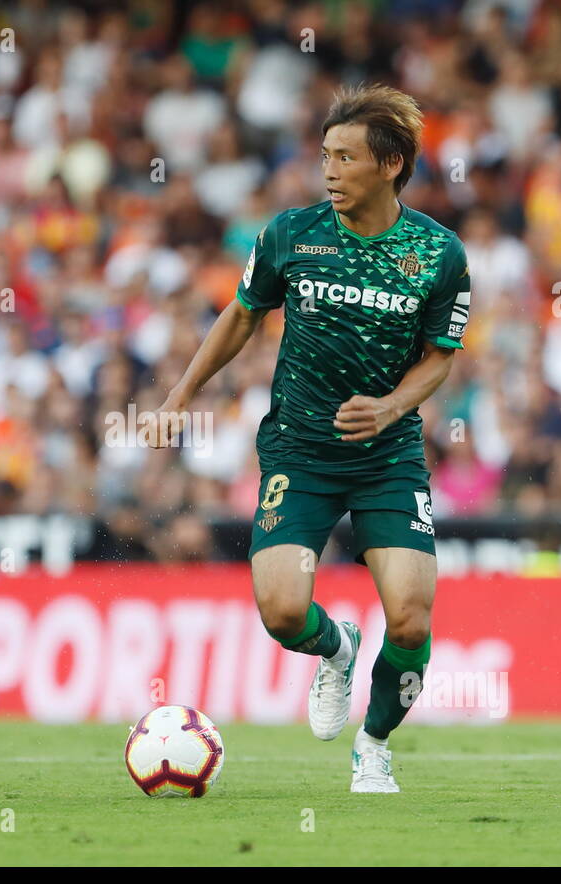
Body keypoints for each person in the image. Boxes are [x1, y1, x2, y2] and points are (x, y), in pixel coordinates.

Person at [146, 84, 469, 793]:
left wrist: (389, 409)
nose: (328, 169)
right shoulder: (291, 235)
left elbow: (441, 355)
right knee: (283, 610)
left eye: (345, 157)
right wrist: (180, 396)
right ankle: (338, 647)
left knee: (412, 619)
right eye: (324, 154)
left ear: (389, 164)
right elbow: (240, 316)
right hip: (299, 448)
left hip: (387, 455)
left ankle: (375, 743)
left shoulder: (436, 254)